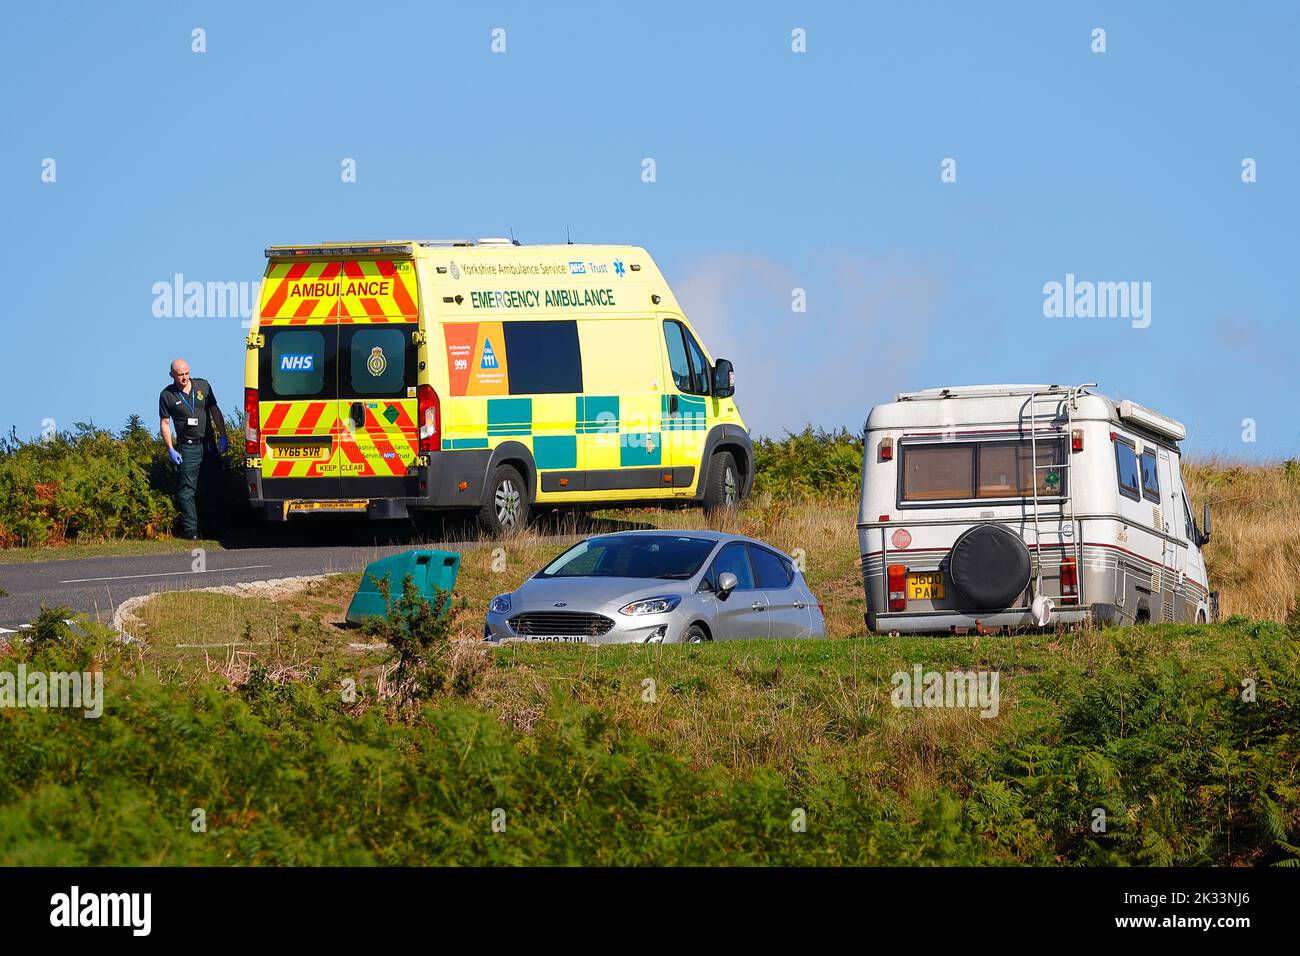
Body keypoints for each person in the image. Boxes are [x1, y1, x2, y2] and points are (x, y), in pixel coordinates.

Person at [158, 358, 229, 539]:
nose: (184, 377)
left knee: (214, 486)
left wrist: (223, 435)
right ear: (172, 375)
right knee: (187, 490)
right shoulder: (167, 395)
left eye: (187, 373)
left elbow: (215, 410)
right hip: (188, 448)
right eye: (180, 374)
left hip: (208, 444)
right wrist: (170, 448)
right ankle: (191, 529)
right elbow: (165, 423)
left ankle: (217, 528)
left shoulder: (203, 386)